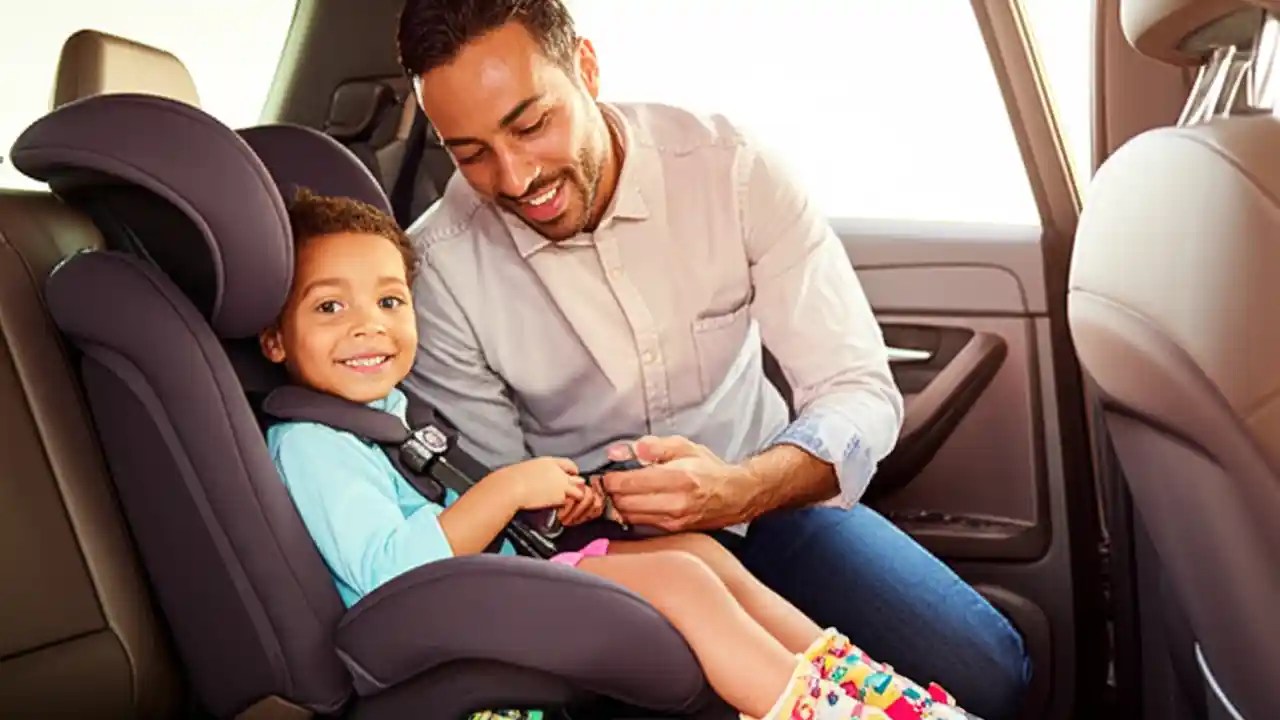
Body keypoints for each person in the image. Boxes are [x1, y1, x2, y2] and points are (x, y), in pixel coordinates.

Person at [395, 2, 1031, 718]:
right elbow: (504, 512)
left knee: (986, 674)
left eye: (532, 124)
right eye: (471, 154)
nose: (514, 178)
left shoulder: (732, 171)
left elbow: (856, 388)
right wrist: (595, 513)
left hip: (766, 498)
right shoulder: (437, 271)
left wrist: (739, 490)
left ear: (587, 68)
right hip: (599, 554)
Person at [260, 188, 978, 720]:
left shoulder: (388, 415)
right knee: (682, 580)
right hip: (446, 620)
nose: (370, 327)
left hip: (497, 579)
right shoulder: (314, 445)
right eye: (330, 307)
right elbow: (393, 572)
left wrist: (547, 504)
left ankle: (878, 695)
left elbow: (449, 517)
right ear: (272, 338)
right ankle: (817, 711)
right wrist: (506, 493)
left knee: (698, 553)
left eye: (390, 302)